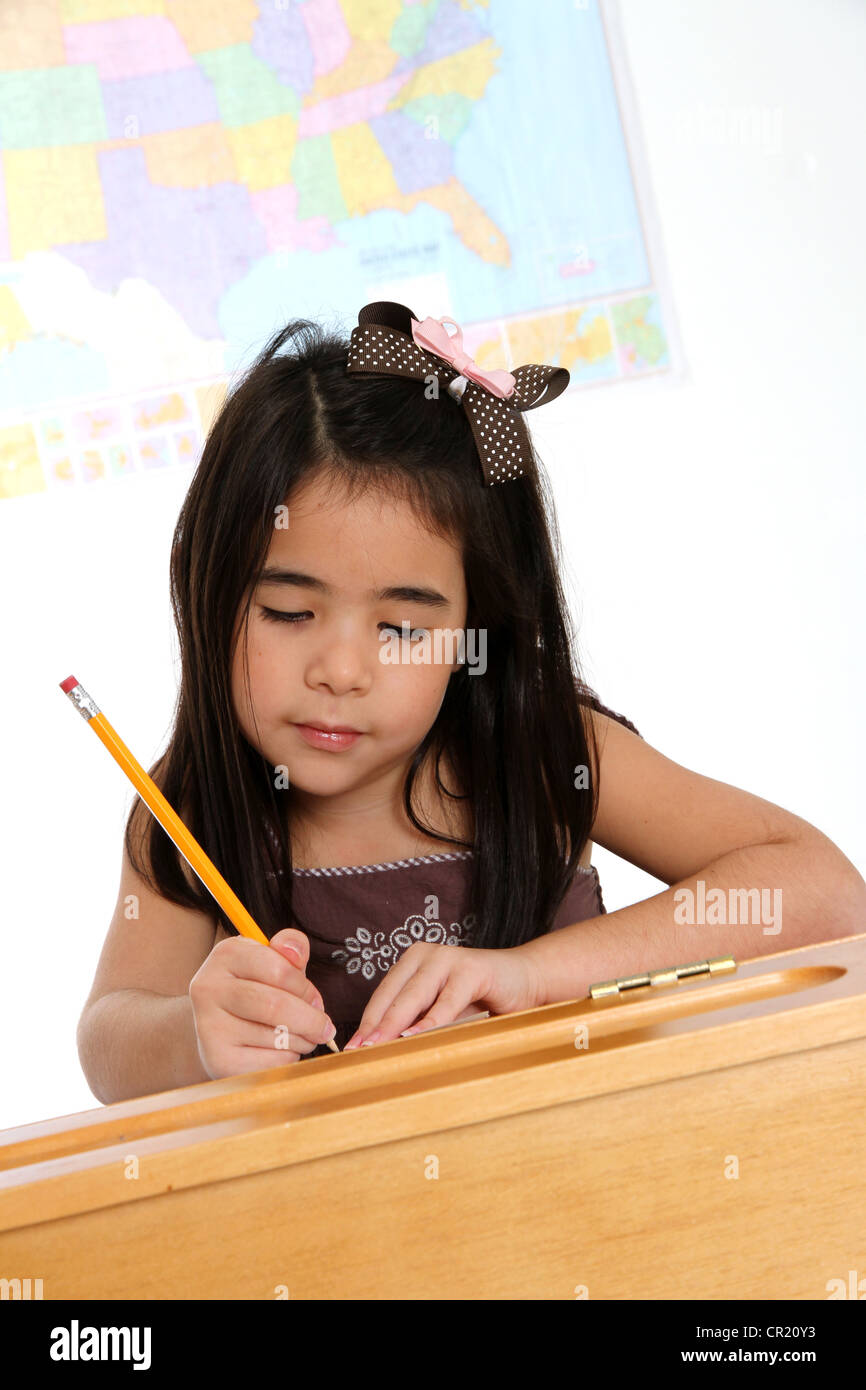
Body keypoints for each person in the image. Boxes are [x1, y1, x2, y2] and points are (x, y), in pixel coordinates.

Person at [77, 302, 866, 1103]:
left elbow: (822, 894)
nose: (343, 671)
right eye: (288, 612)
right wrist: (195, 1036)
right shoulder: (189, 801)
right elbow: (110, 1037)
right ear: (203, 584)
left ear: (473, 626)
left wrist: (530, 976)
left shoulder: (540, 750)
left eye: (405, 629)